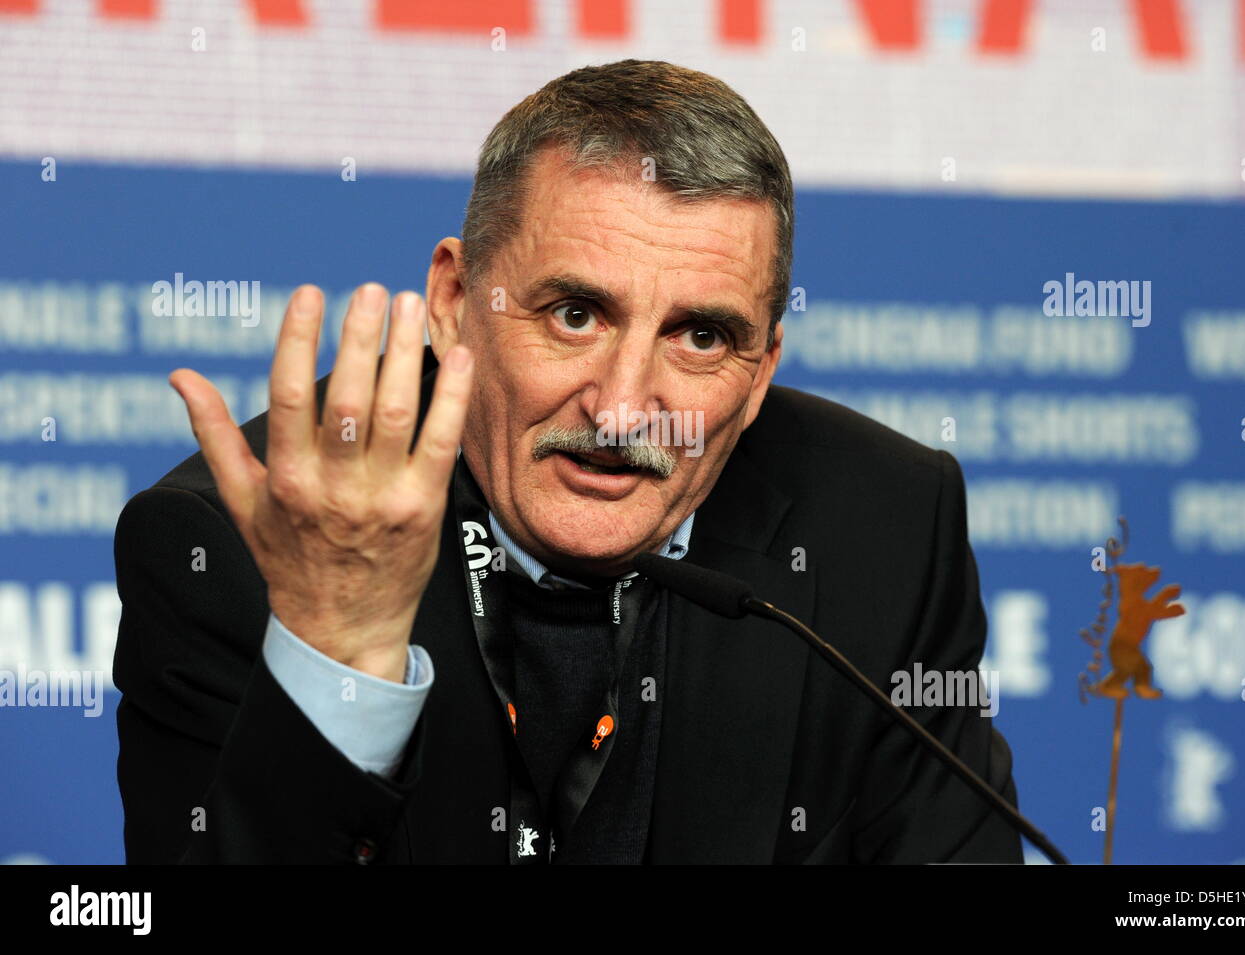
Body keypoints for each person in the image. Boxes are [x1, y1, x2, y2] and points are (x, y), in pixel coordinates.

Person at [113, 59, 1024, 864]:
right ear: (454, 300)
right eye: (575, 314)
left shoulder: (886, 528)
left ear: (759, 378)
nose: (623, 409)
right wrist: (341, 654)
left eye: (701, 336)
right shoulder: (238, 548)